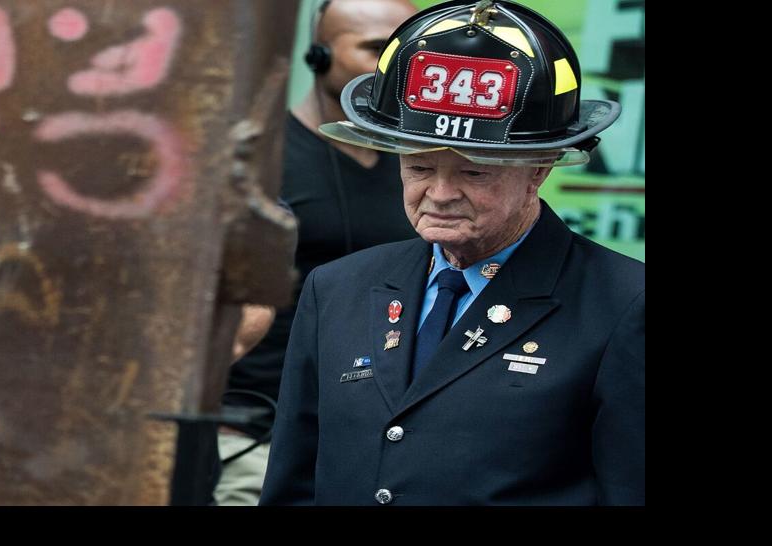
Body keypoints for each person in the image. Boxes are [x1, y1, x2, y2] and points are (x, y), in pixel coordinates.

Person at [260, 0, 644, 506]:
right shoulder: (336, 289)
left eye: (475, 171)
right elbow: (294, 484)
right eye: (419, 167)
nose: (439, 194)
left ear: (540, 169)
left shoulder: (624, 304)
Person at [213, 0, 422, 506]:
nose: (396, 68)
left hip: (376, 436)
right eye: (377, 49)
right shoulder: (260, 159)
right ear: (319, 55)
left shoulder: (424, 170)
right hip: (255, 432)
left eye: (408, 53)